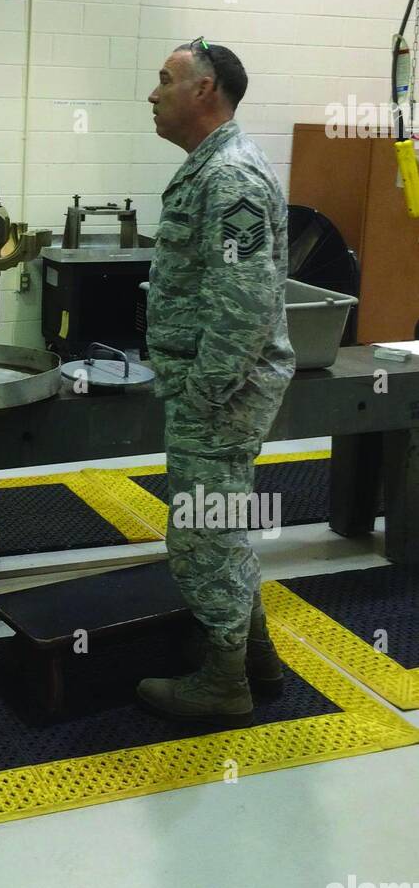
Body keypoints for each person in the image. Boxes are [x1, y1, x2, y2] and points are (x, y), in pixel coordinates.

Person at [138, 38, 295, 721]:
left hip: (220, 393)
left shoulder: (229, 178)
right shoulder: (213, 169)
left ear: (204, 91)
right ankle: (254, 657)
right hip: (215, 388)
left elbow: (244, 301)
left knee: (202, 530)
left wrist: (203, 393)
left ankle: (224, 683)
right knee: (221, 522)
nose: (153, 93)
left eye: (165, 80)